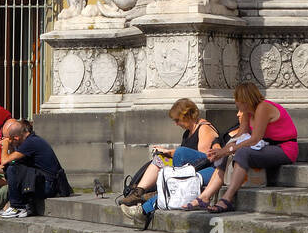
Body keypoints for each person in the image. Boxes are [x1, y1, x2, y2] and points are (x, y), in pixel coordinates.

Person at [119, 99, 219, 225]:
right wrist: (166, 154)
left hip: (207, 170)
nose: (176, 124)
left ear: (187, 115)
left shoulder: (204, 128)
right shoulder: (187, 133)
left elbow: (204, 158)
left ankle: (145, 207)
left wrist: (172, 152)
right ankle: (138, 192)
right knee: (160, 159)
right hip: (188, 170)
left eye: (178, 120)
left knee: (180, 153)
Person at [201, 83, 298, 214]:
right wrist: (222, 150)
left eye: (237, 101)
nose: (236, 105)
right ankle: (206, 196)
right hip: (266, 147)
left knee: (243, 152)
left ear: (244, 100)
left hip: (284, 149)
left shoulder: (263, 108)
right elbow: (241, 134)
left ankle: (227, 198)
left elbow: (254, 139)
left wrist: (228, 150)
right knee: (232, 151)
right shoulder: (248, 111)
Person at [0, 123, 71, 219]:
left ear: (16, 138)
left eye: (10, 140)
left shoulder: (30, 143)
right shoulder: (31, 140)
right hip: (47, 183)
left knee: (12, 169)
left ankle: (18, 207)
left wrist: (5, 146)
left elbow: (4, 161)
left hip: (49, 186)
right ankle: (19, 207)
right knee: (13, 167)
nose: (10, 142)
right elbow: (7, 165)